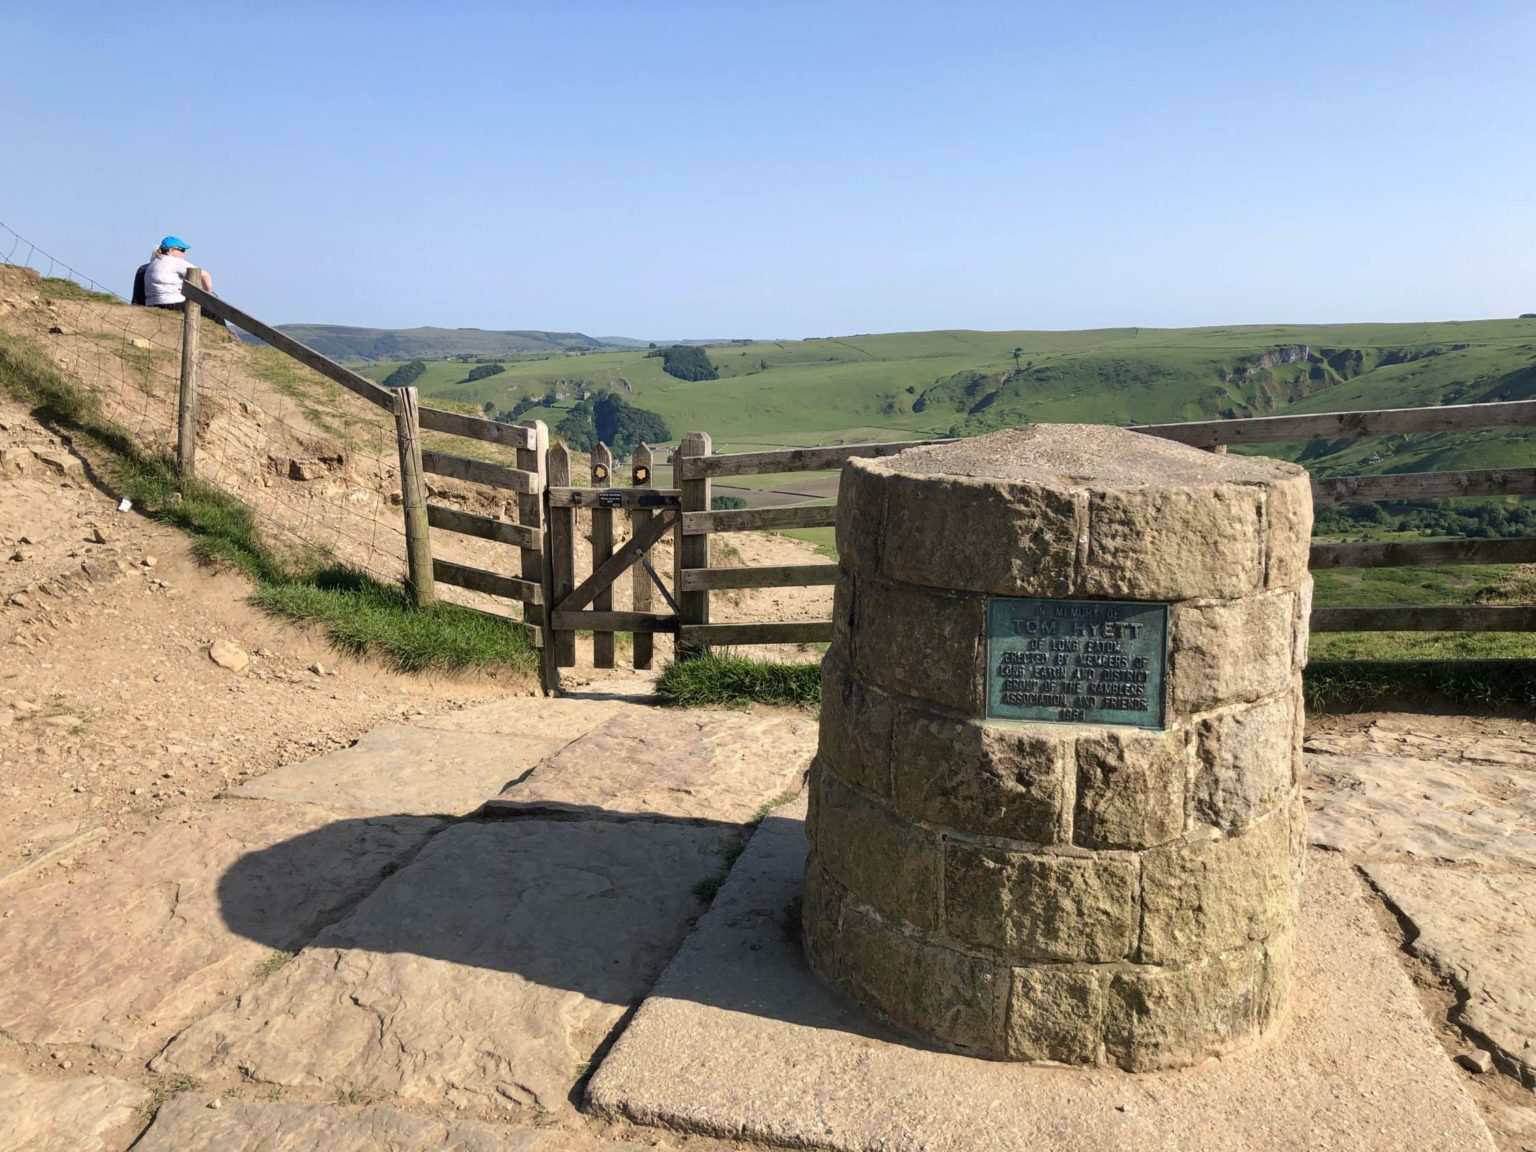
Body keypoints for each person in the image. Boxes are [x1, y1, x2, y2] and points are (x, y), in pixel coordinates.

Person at [141, 236, 211, 309]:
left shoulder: (153, 263)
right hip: (173, 303)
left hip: (153, 304)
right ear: (170, 250)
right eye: (182, 250)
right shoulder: (175, 261)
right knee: (215, 315)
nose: (184, 253)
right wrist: (207, 297)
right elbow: (205, 275)